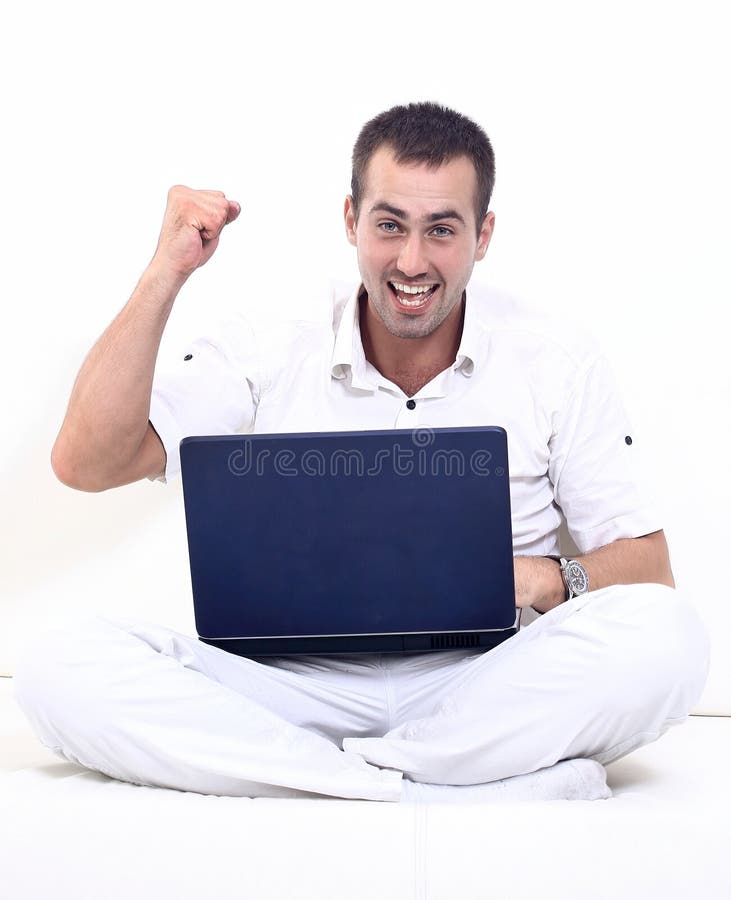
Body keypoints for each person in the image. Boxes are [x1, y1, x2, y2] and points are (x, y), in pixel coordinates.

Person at [14, 102, 709, 803]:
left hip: (482, 687)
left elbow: (649, 574)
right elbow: (87, 462)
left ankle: (329, 775)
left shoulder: (554, 357)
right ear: (350, 221)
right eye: (388, 226)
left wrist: (537, 578)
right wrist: (166, 271)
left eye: (441, 230)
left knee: (668, 637)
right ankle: (436, 785)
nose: (411, 262)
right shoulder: (269, 338)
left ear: (483, 235)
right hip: (289, 687)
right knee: (52, 665)